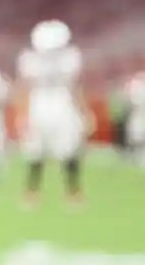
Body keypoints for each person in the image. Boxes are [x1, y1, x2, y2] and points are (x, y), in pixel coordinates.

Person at [16, 19, 92, 208]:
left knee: (69, 148)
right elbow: (24, 87)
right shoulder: (29, 59)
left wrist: (84, 110)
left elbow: (75, 87)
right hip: (41, 101)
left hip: (60, 100)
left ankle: (72, 192)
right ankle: (32, 192)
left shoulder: (70, 57)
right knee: (35, 150)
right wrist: (21, 113)